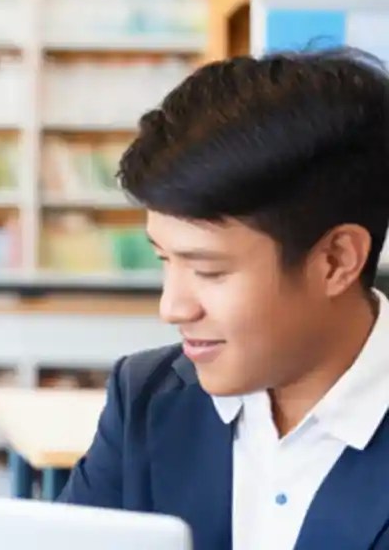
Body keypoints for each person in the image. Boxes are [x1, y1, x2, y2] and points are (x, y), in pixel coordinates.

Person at [59, 48, 389, 550]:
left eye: (208, 270)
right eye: (164, 260)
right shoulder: (145, 398)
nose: (173, 307)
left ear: (336, 261)